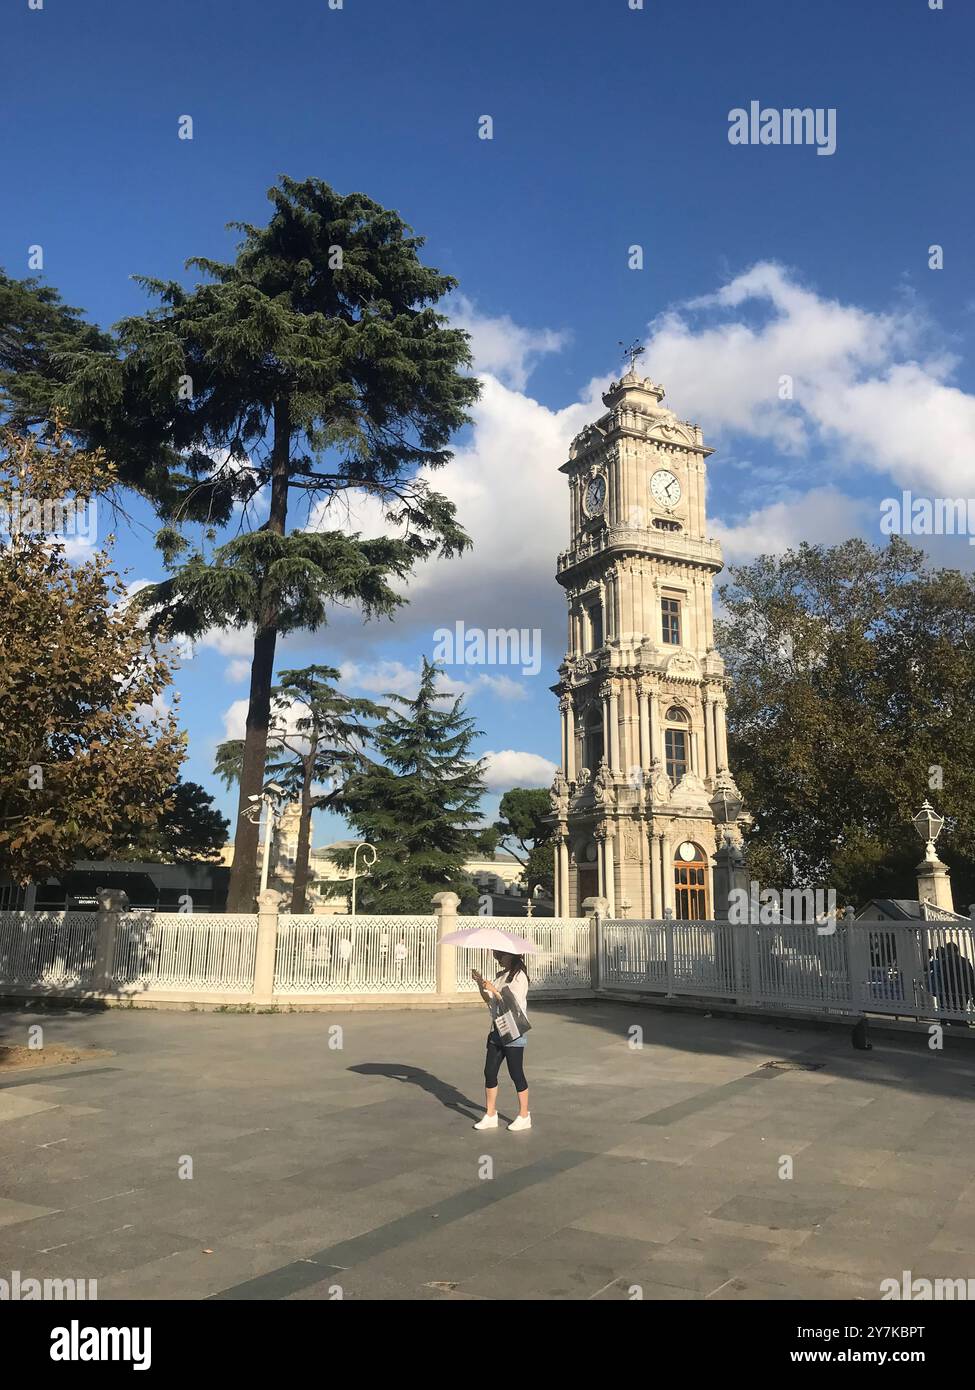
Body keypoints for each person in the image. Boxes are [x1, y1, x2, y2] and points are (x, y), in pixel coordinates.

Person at [471, 950, 531, 1132]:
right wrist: (482, 985)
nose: (499, 960)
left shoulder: (520, 977)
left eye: (501, 956)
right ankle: (490, 1114)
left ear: (512, 956)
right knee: (489, 1072)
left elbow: (514, 1003)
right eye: (498, 956)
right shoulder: (502, 976)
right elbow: (489, 1000)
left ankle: (524, 1115)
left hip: (513, 1029)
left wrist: (494, 990)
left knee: (516, 1073)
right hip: (498, 1027)